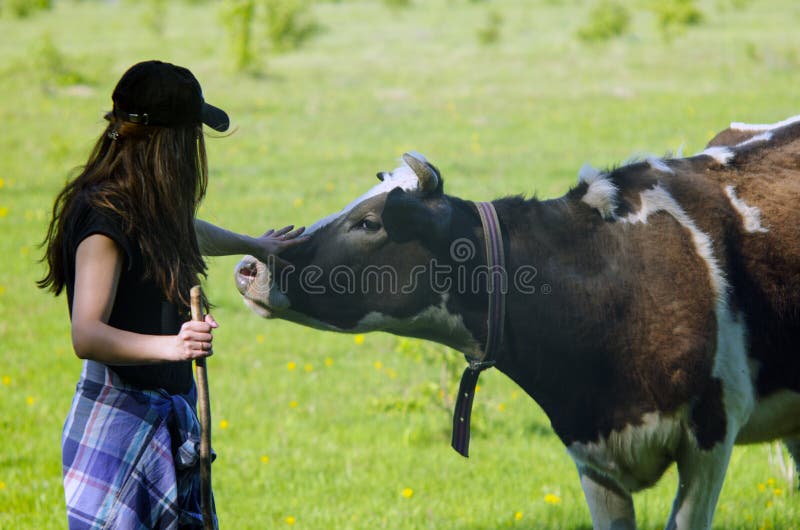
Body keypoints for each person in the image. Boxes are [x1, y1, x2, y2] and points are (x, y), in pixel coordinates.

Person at [38, 60, 306, 529]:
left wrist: (255, 245)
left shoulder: (141, 202)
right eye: (192, 135)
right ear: (167, 141)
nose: (197, 148)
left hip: (161, 417)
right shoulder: (104, 219)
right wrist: (172, 346)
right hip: (122, 425)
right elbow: (86, 333)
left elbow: (181, 231)